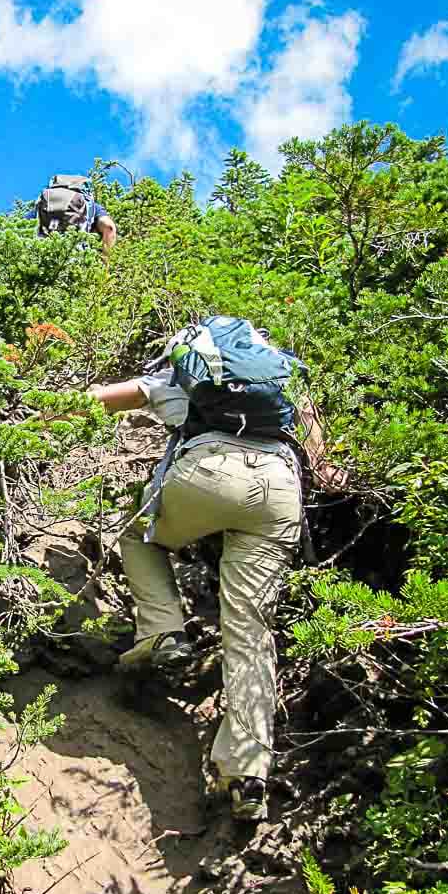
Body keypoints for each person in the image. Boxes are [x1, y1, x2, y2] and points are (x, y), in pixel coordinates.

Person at [87, 321, 343, 822]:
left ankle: (162, 630)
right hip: (278, 491)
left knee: (136, 527)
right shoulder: (288, 381)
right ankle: (248, 773)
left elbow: (101, 402)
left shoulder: (189, 371)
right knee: (250, 632)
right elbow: (327, 468)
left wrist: (42, 409)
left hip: (205, 476)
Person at [27, 174, 117, 254]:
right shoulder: (90, 204)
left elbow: (20, 227)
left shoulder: (43, 203)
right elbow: (109, 227)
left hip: (42, 258)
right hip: (76, 261)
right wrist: (105, 262)